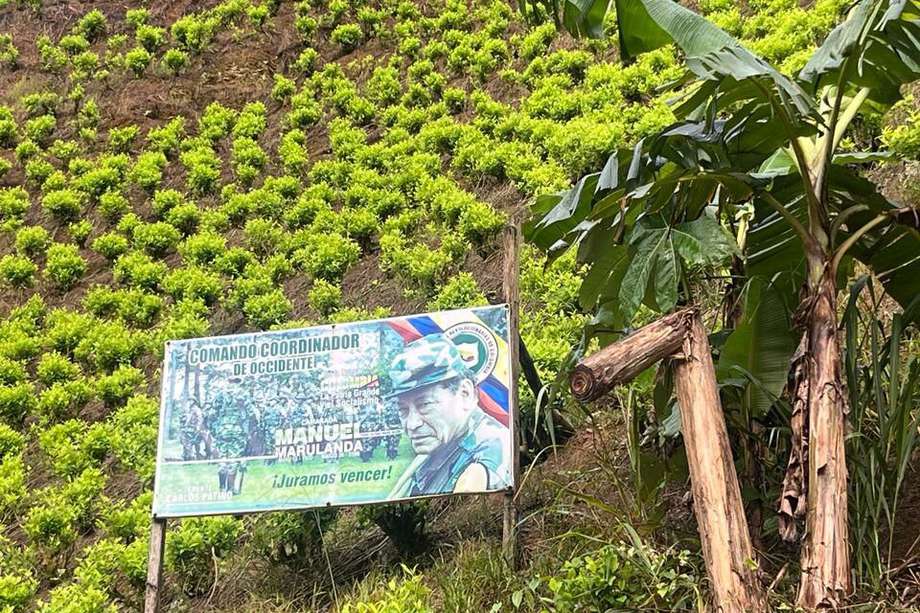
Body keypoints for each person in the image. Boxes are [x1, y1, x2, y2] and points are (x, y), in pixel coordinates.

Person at [387, 333, 510, 497]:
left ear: (465, 394)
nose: (412, 424)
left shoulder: (484, 459)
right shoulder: (440, 446)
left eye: (425, 405)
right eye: (403, 410)